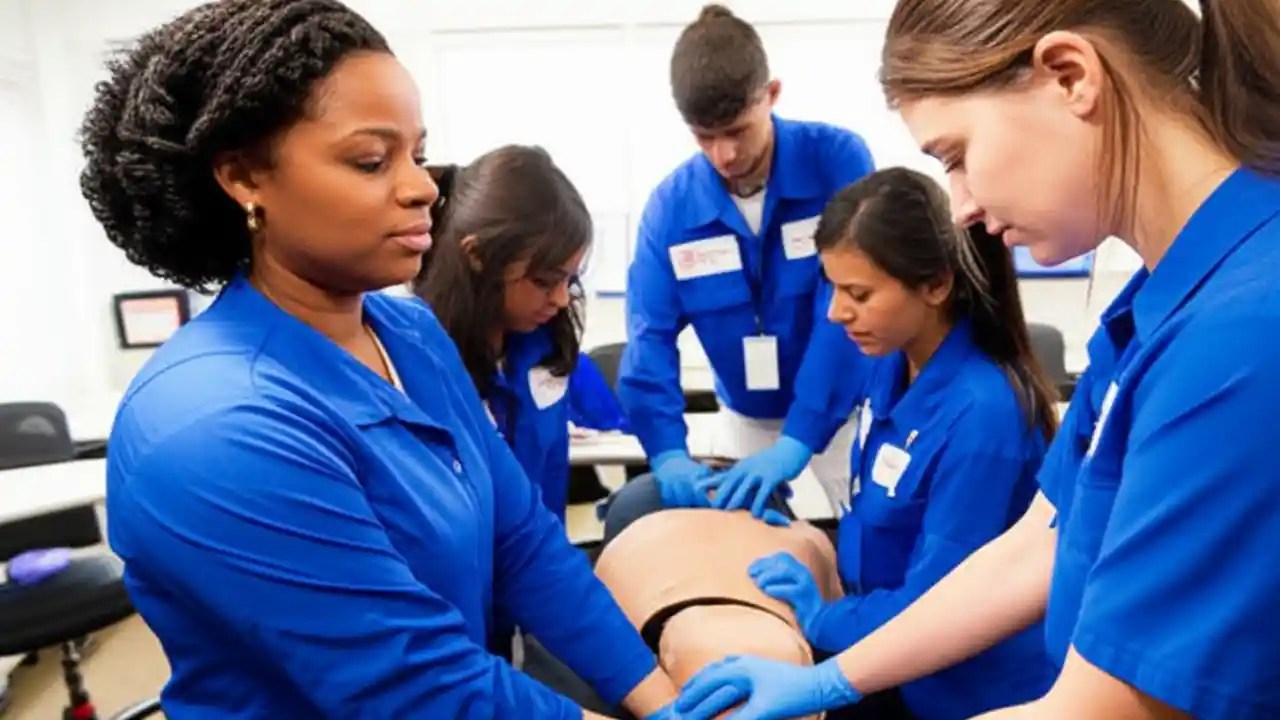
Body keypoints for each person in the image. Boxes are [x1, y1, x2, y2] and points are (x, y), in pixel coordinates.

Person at [672, 1, 1280, 719]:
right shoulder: (1155, 310)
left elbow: (1109, 707)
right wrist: (834, 680)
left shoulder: (1241, 333)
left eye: (956, 156)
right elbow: (1036, 544)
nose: (958, 207)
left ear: (1069, 75)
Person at [78, 2, 678, 717]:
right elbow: (416, 687)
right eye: (372, 159)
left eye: (416, 154)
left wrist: (666, 702)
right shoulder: (215, 422)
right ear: (244, 178)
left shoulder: (409, 335)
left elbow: (522, 543)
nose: (424, 185)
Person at [756, 167, 1058, 720]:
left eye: (859, 293)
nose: (835, 312)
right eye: (832, 288)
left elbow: (939, 601)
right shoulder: (893, 363)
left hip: (967, 695)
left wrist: (822, 619)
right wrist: (821, 548)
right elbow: (889, 513)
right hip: (893, 657)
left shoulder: (982, 416)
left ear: (936, 285)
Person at [617, 3, 875, 521]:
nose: (724, 155)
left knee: (865, 557)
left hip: (842, 415)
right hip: (742, 421)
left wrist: (800, 437)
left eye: (737, 130)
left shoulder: (837, 163)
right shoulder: (671, 210)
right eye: (704, 136)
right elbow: (650, 339)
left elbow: (850, 309)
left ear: (772, 94)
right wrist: (668, 451)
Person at [414, 146, 587, 526]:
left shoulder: (545, 342)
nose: (560, 299)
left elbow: (551, 477)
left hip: (543, 563)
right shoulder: (420, 360)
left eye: (570, 280)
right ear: (477, 256)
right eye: (543, 281)